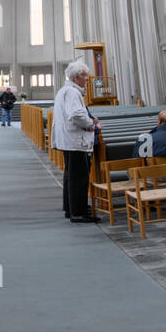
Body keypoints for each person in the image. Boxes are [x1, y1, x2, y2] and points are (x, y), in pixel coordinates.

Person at [52, 59, 102, 222]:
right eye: (85, 78)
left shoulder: (65, 90)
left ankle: (71, 208)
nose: (87, 80)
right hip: (75, 140)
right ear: (76, 78)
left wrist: (89, 119)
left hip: (69, 139)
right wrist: (91, 125)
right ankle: (78, 212)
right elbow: (76, 114)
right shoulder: (73, 92)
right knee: (79, 177)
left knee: (71, 176)